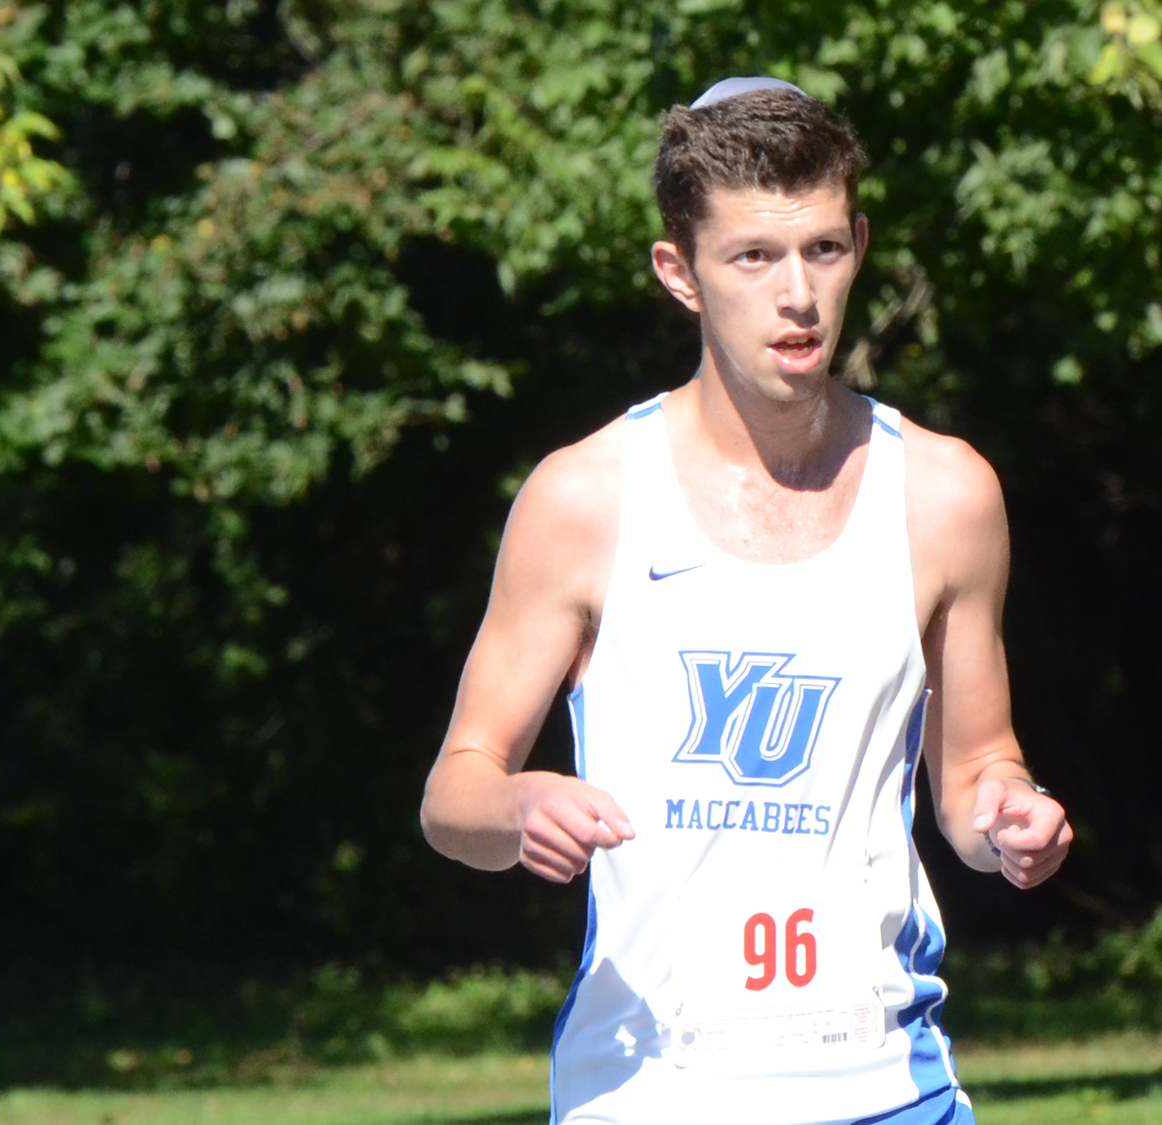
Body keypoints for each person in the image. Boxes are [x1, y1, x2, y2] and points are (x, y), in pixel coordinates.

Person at [418, 76, 1073, 1125]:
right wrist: (517, 806)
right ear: (679, 273)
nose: (797, 296)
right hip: (648, 1090)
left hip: (886, 1082)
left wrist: (1010, 819)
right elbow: (454, 795)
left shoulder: (946, 495)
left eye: (821, 249)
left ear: (857, 243)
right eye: (752, 258)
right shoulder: (583, 498)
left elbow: (975, 774)